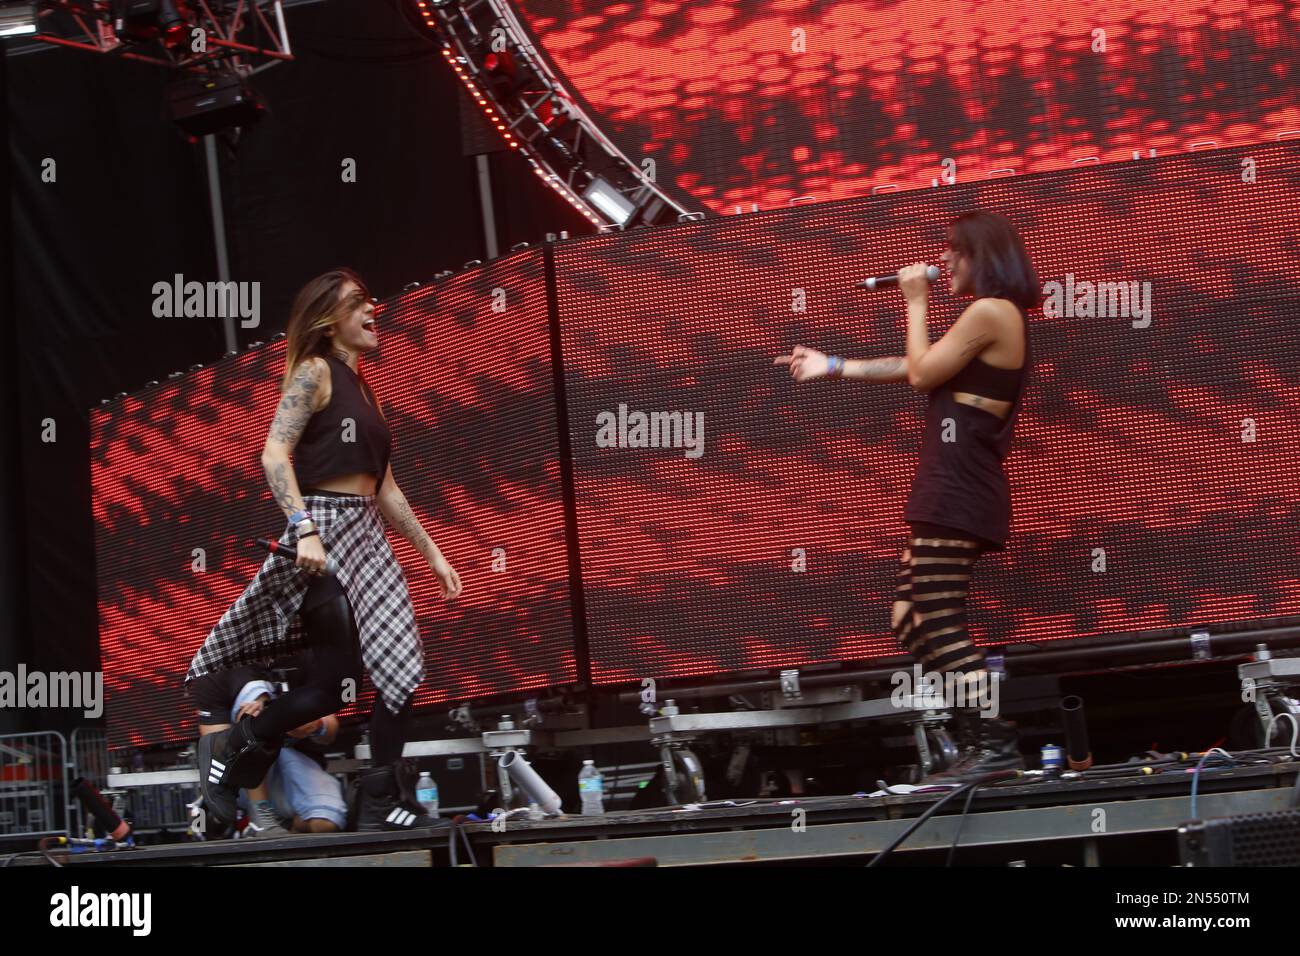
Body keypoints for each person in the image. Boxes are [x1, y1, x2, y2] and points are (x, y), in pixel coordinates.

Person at [187, 267, 463, 831]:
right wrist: (305, 528)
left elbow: (383, 486)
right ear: (329, 321)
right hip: (325, 530)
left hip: (367, 535)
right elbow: (273, 454)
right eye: (358, 302)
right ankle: (240, 744)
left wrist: (431, 551)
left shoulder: (365, 389)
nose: (372, 309)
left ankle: (381, 799)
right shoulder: (315, 372)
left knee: (402, 671)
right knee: (335, 686)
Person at [774, 210, 1038, 783]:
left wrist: (915, 301)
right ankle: (977, 737)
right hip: (945, 486)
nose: (942, 261)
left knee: (940, 618)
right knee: (908, 618)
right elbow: (920, 367)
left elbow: (920, 375)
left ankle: (994, 744)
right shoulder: (982, 318)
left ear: (982, 256)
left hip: (960, 488)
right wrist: (835, 366)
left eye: (953, 251)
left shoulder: (992, 312)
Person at [191, 661, 345, 837]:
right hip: (240, 777)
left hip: (293, 765)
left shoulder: (304, 656)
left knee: (325, 824)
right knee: (254, 699)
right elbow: (216, 748)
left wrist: (316, 725)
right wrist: (250, 729)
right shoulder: (215, 669)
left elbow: (330, 731)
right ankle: (259, 814)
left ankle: (284, 832)